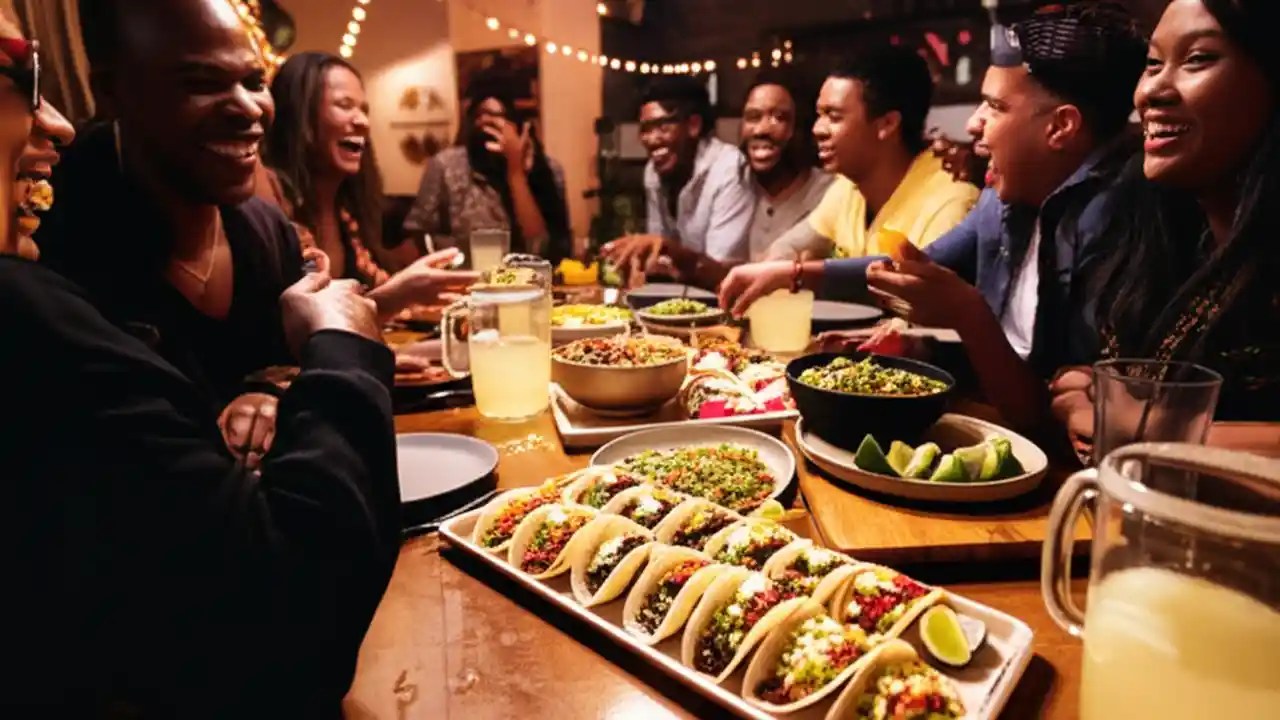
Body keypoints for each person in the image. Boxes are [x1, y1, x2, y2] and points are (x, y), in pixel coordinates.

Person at [0, 11, 400, 716]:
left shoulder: (264, 228)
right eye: (201, 82)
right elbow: (287, 610)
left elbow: (280, 370)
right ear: (113, 90)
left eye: (254, 80)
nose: (249, 108)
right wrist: (342, 353)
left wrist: (274, 392)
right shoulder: (50, 237)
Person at [721, 2, 1146, 431]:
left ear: (1062, 127)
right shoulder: (1001, 203)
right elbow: (912, 268)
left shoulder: (1116, 224)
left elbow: (1055, 417)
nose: (974, 124)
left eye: (994, 106)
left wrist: (967, 314)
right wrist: (795, 275)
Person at [1055, 0, 1280, 454]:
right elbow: (1118, 381)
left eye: (1197, 58)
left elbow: (1133, 418)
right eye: (1153, 63)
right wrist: (1086, 388)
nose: (1151, 91)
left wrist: (1144, 427)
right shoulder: (1168, 229)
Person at [265, 52, 477, 312]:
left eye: (364, 110)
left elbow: (370, 293)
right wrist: (400, 293)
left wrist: (415, 291)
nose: (363, 122)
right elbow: (312, 315)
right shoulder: (271, 199)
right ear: (300, 114)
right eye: (344, 105)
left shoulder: (345, 211)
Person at [762, 46, 979, 262]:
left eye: (834, 117)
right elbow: (789, 245)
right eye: (820, 114)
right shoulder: (848, 188)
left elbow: (912, 290)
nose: (818, 129)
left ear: (887, 123)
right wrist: (785, 264)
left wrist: (802, 274)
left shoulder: (949, 203)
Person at [600, 76, 754, 288]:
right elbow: (658, 258)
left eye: (662, 126)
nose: (652, 139)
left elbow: (723, 274)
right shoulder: (653, 172)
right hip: (683, 299)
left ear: (693, 125)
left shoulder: (729, 168)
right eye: (645, 129)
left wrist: (665, 249)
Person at [402, 75, 572, 264]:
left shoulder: (549, 171)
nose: (487, 123)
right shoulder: (446, 166)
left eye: (498, 118)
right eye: (481, 115)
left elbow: (541, 248)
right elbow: (416, 233)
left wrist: (515, 171)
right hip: (465, 281)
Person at [739, 68, 833, 261]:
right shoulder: (738, 186)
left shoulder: (829, 193)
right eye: (753, 117)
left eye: (779, 118)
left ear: (801, 128)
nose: (761, 129)